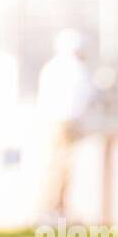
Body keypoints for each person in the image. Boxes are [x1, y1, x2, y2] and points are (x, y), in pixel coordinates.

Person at [35, 28, 95, 221]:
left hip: (55, 123)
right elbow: (86, 97)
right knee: (62, 167)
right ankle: (53, 209)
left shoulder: (52, 67)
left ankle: (55, 208)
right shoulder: (74, 69)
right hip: (65, 124)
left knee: (58, 166)